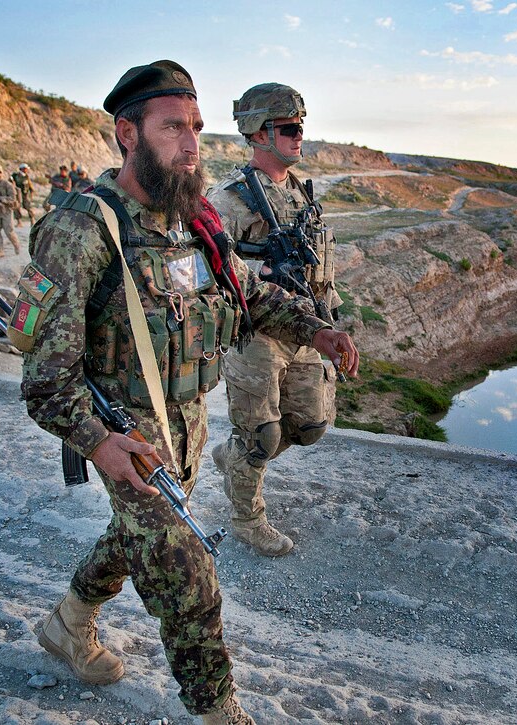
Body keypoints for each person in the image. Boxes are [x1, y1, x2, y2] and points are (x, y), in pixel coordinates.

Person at [11, 60, 357, 725]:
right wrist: (99, 442)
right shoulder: (83, 231)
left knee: (134, 537)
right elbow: (45, 382)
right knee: (187, 567)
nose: (192, 144)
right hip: (128, 441)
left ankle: (67, 622)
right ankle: (217, 708)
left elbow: (250, 297)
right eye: (173, 127)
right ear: (128, 134)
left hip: (189, 430)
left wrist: (318, 331)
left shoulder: (194, 219)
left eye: (196, 127)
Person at [206, 83, 341, 557]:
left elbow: (319, 261)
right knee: (262, 434)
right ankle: (247, 518)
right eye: (289, 128)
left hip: (305, 323)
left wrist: (330, 313)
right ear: (258, 133)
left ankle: (234, 459)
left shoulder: (300, 194)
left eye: (301, 127)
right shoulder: (228, 200)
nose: (299, 136)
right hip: (257, 333)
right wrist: (256, 270)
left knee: (309, 423)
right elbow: (205, 267)